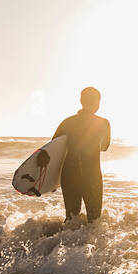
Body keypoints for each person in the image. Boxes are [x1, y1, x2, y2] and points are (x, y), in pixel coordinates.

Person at [54, 87, 111, 222]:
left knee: (71, 219)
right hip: (91, 174)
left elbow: (54, 149)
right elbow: (104, 147)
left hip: (68, 175)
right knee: (94, 220)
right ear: (98, 102)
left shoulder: (67, 122)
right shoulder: (103, 123)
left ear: (81, 101)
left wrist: (51, 180)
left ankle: (62, 243)